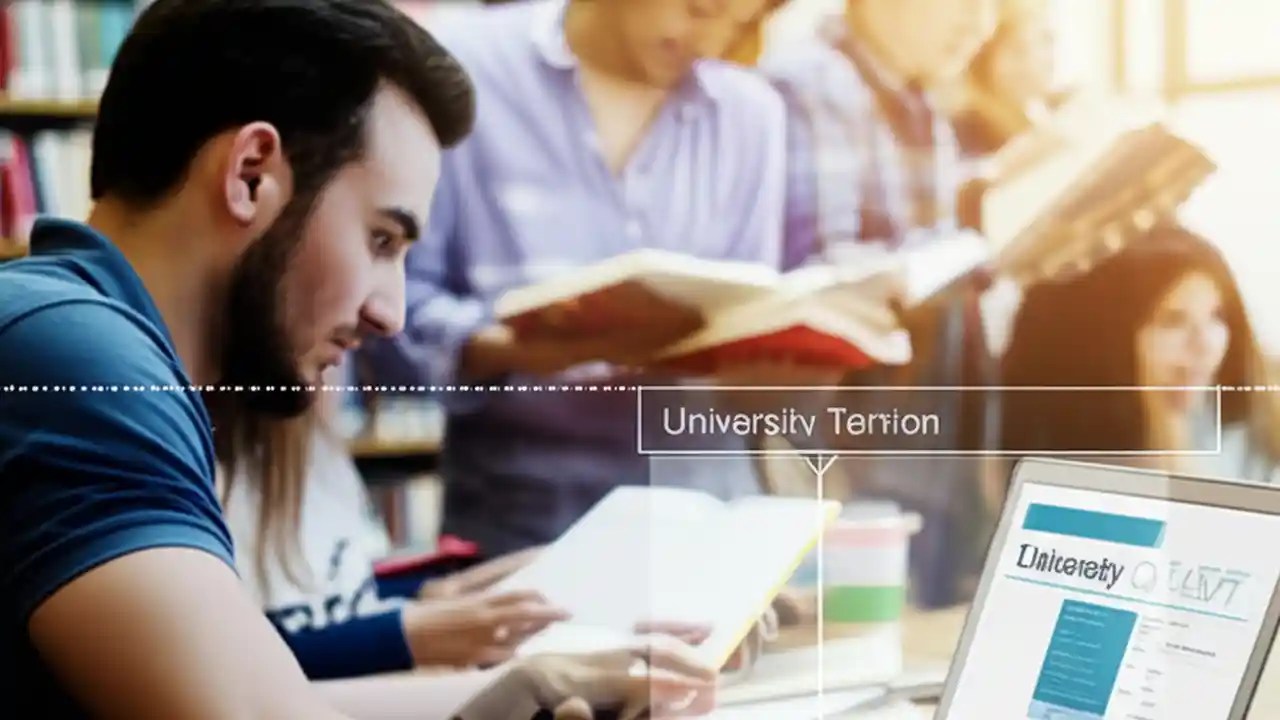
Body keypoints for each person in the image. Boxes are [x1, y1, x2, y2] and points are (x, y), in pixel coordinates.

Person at [0, 1, 715, 717]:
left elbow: (277, 695)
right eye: (381, 241)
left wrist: (540, 684)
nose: (391, 314)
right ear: (250, 174)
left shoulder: (75, 336)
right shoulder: (74, 357)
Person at [360, 0, 802, 557]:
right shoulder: (462, 69)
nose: (712, 42)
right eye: (700, 9)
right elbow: (388, 322)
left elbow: (747, 322)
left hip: (704, 526)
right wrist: (517, 349)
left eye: (742, 22)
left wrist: (782, 368)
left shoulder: (752, 112)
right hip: (521, 533)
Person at [760, 0, 1000, 607]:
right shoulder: (814, 81)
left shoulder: (921, 104)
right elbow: (820, 274)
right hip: (840, 441)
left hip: (911, 433)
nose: (980, 26)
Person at [999, 224, 1280, 491]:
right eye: (1173, 321)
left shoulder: (1245, 423)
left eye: (1217, 316)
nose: (1205, 344)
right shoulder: (1079, 463)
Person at [948, 0, 1063, 156]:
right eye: (1017, 50)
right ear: (984, 59)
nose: (1034, 60)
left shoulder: (1045, 113)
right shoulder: (971, 128)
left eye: (1046, 41)